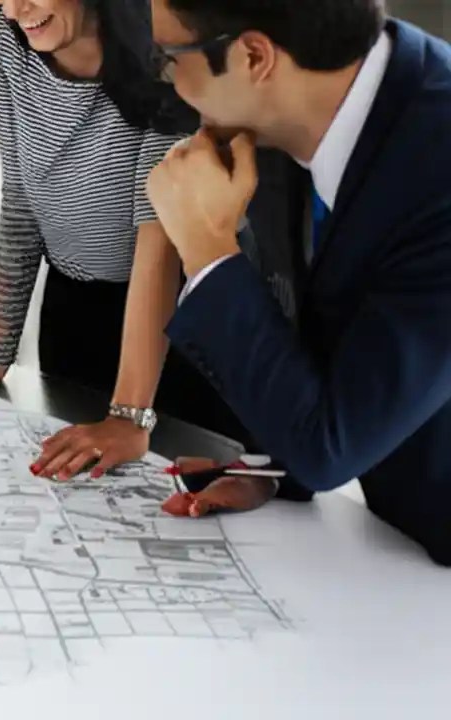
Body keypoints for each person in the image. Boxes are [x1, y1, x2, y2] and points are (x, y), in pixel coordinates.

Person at [147, 0, 451, 565]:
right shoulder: (300, 109)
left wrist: (206, 248)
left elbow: (328, 446)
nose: (164, 81)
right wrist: (272, 464)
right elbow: (341, 329)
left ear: (254, 55)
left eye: (167, 56)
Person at [0, 0, 249, 481]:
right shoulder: (1, 34)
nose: (14, 11)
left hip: (184, 326)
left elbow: (161, 236)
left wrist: (129, 415)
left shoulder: (163, 35)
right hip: (75, 310)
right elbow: (21, 193)